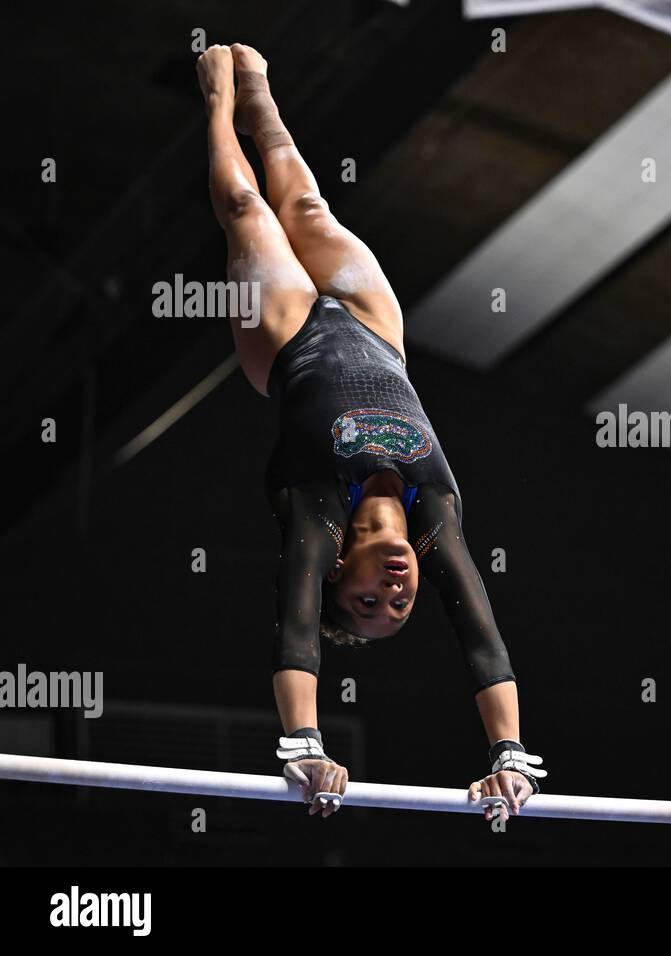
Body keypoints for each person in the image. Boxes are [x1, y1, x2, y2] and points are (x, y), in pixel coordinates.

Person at [195, 42, 543, 820]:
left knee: (251, 211)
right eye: (400, 608)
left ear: (338, 574)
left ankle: (218, 102)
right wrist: (508, 759)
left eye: (365, 604)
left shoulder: (314, 513)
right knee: (311, 210)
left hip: (286, 343)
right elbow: (484, 642)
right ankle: (265, 105)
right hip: (376, 335)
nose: (391, 595)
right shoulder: (434, 520)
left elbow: (294, 631)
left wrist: (306, 746)